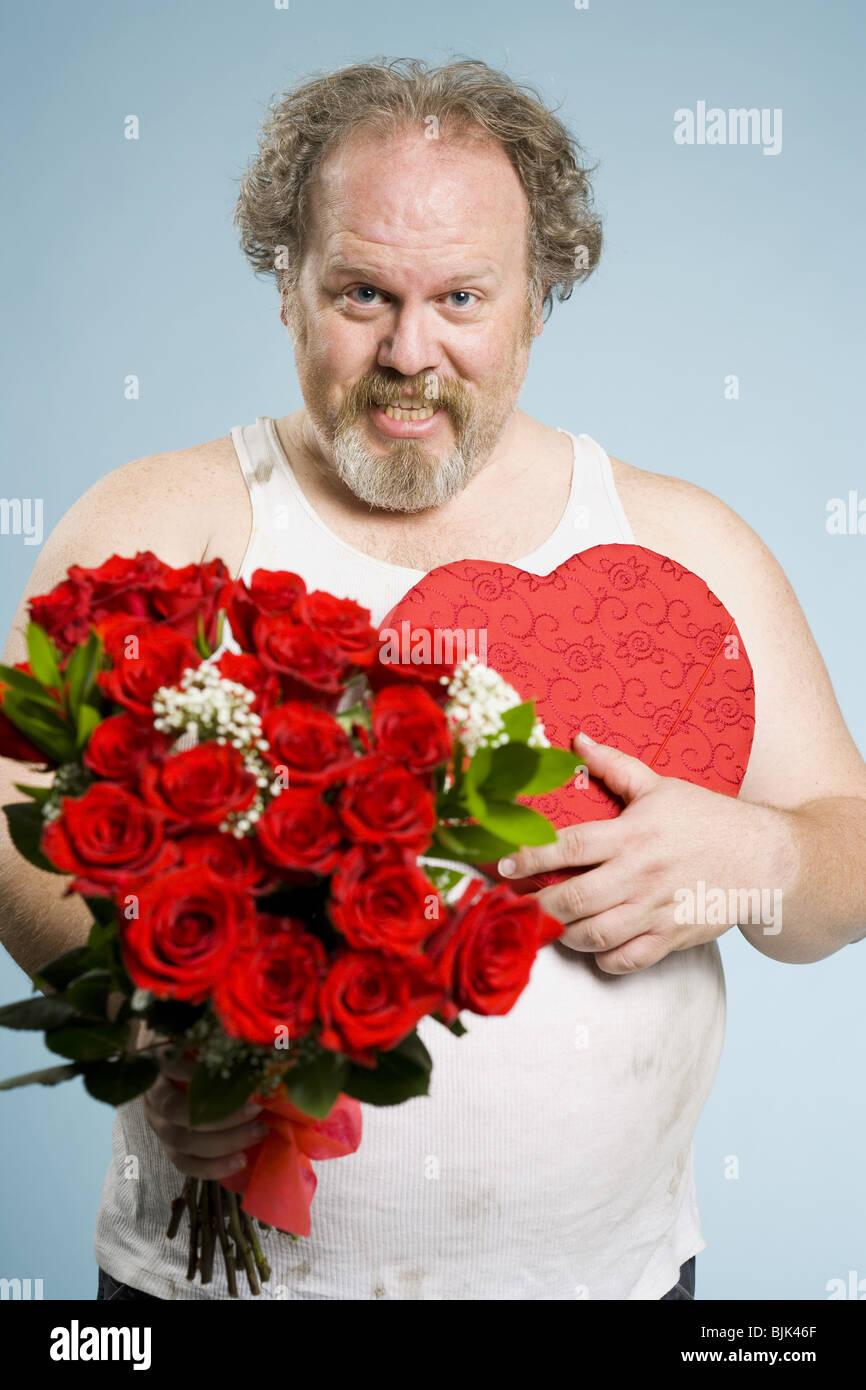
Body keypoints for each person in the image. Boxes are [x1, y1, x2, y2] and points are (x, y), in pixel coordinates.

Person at [2, 57, 865, 1302]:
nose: (413, 351)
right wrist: (158, 1025)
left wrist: (754, 859)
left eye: (461, 295)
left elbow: (849, 851)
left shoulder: (684, 545)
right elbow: (12, 803)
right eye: (362, 292)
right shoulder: (164, 525)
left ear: (533, 298)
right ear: (286, 291)